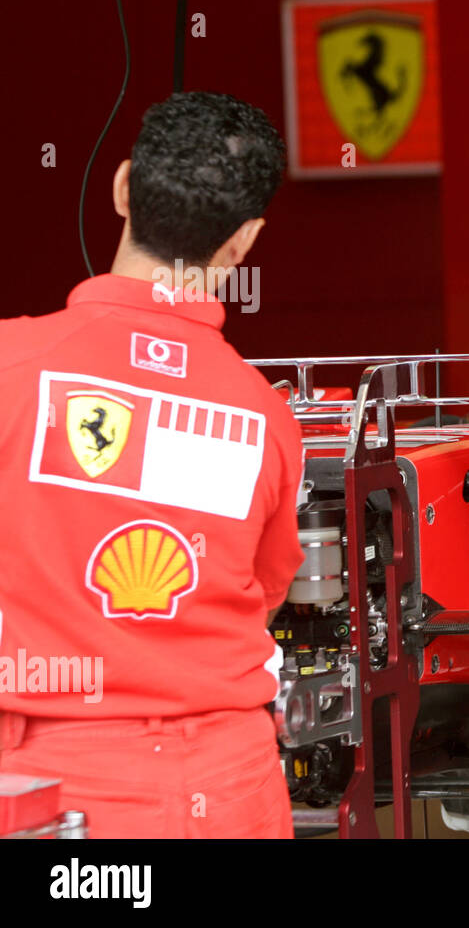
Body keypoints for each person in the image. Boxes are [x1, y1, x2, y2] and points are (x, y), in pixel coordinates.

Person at [0, 92, 303, 838]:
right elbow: (265, 593)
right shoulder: (265, 416)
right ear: (243, 244)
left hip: (58, 787)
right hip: (234, 788)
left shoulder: (11, 367)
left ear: (123, 187)